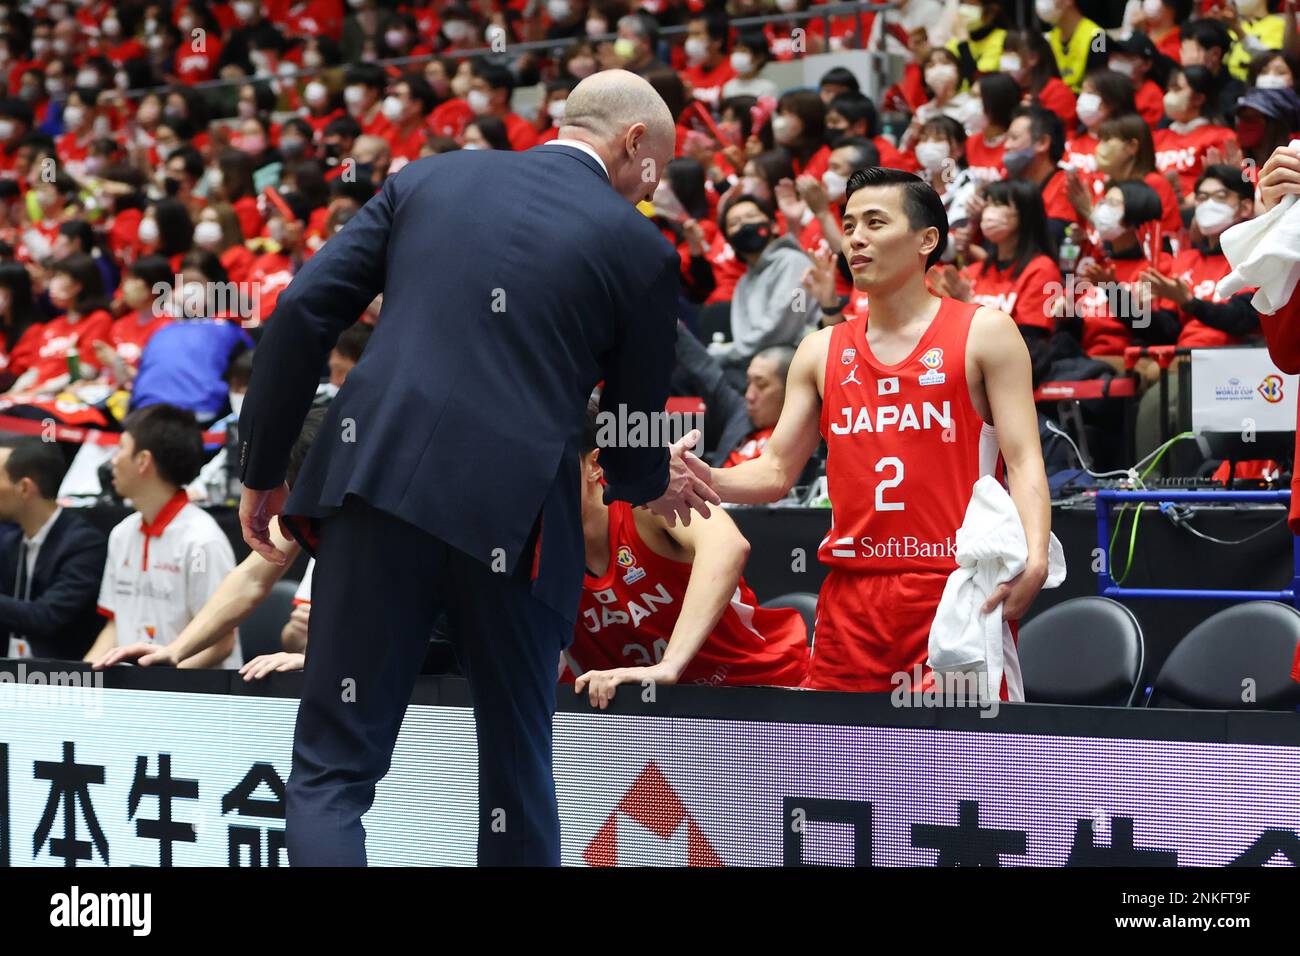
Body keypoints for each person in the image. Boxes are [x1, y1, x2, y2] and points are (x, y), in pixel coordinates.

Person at [235, 70, 718, 867]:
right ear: (634, 141)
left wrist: (261, 465)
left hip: (368, 483)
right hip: (515, 519)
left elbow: (299, 310)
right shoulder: (638, 245)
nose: (653, 184)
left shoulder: (428, 176)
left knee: (331, 771)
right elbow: (630, 437)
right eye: (656, 166)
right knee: (516, 771)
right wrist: (645, 480)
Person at [701, 167, 1050, 695]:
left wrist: (1038, 557)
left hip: (951, 589)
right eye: (849, 224)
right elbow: (775, 472)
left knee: (959, 772)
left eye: (874, 222)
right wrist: (699, 476)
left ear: (926, 240)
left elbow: (1024, 459)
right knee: (840, 772)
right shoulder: (819, 350)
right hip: (850, 597)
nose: (856, 237)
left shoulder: (985, 332)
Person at [566, 395, 809, 702]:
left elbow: (727, 545)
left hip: (760, 693)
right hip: (654, 722)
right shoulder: (526, 543)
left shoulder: (647, 499)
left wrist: (669, 666)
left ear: (594, 466)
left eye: (548, 459)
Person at [84, 404, 241, 668]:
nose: (113, 460)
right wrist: (80, 678)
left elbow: (221, 643)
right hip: (135, 691)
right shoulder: (122, 533)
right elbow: (116, 625)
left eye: (121, 448)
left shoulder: (202, 541)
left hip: (192, 694)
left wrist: (160, 683)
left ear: (143, 461)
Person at [0, 441, 107, 660]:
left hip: (63, 679)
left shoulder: (84, 544)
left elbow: (47, 617)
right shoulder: (10, 542)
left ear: (24, 488)